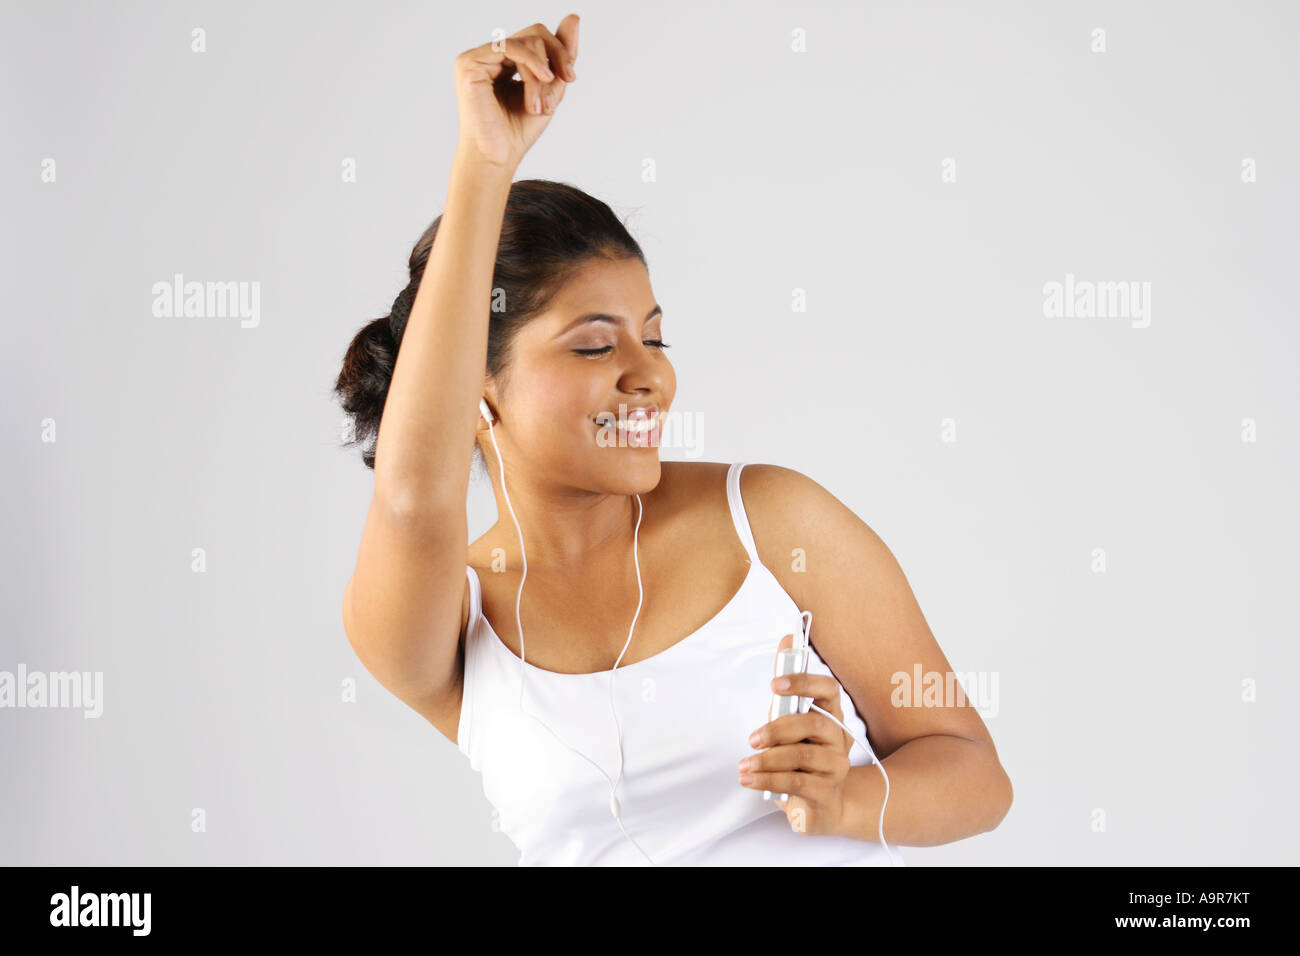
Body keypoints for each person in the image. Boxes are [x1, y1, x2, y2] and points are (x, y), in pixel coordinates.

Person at [334, 13, 1012, 865]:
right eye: (592, 343)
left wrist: (851, 798)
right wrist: (483, 164)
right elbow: (409, 496)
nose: (648, 373)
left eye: (653, 336)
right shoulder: (449, 623)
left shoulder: (769, 520)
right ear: (476, 390)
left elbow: (977, 776)